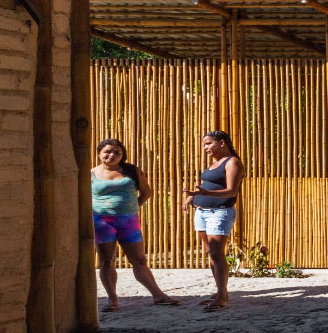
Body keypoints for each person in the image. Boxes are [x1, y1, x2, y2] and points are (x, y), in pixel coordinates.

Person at [91, 139, 180, 311]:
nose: (112, 155)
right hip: (102, 222)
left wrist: (133, 207)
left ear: (122, 155)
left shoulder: (131, 171)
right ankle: (112, 299)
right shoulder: (92, 174)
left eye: (117, 152)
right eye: (108, 151)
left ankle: (158, 295)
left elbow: (147, 192)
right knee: (107, 260)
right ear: (99, 153)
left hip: (128, 222)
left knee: (139, 259)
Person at [183, 131, 244, 313]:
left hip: (220, 212)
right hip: (202, 212)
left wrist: (206, 194)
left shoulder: (232, 162)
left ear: (222, 143)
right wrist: (191, 199)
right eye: (204, 145)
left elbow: (231, 191)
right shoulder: (214, 163)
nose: (205, 148)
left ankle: (222, 295)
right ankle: (220, 291)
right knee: (211, 253)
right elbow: (205, 184)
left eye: (209, 144)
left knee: (217, 254)